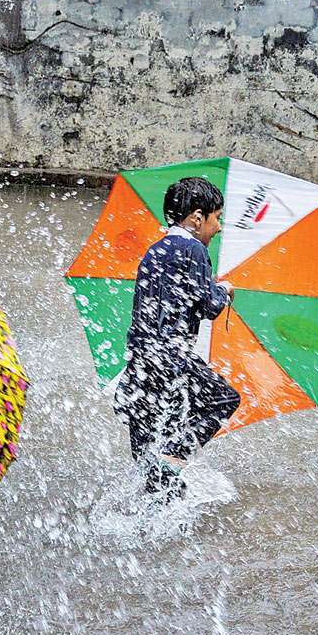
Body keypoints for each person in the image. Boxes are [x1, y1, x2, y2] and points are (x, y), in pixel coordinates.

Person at [113, 176, 241, 499]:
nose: (218, 227)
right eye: (217, 218)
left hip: (140, 369)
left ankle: (147, 517)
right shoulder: (193, 248)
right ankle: (175, 453)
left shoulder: (155, 250)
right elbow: (209, 306)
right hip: (170, 361)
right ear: (197, 218)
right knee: (224, 399)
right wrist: (223, 290)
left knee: (152, 476)